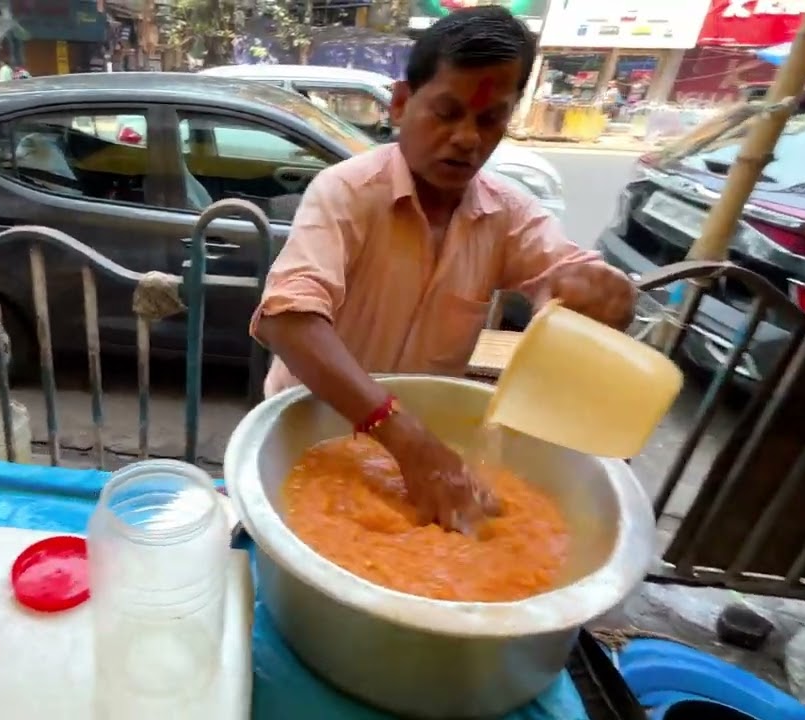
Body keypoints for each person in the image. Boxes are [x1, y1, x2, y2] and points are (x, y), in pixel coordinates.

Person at [250, 7, 636, 533]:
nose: (466, 138)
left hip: (423, 462)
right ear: (404, 103)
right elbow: (287, 320)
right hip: (310, 442)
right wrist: (405, 437)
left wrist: (603, 296)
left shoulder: (509, 214)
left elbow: (573, 276)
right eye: (447, 112)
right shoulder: (345, 193)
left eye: (488, 119)